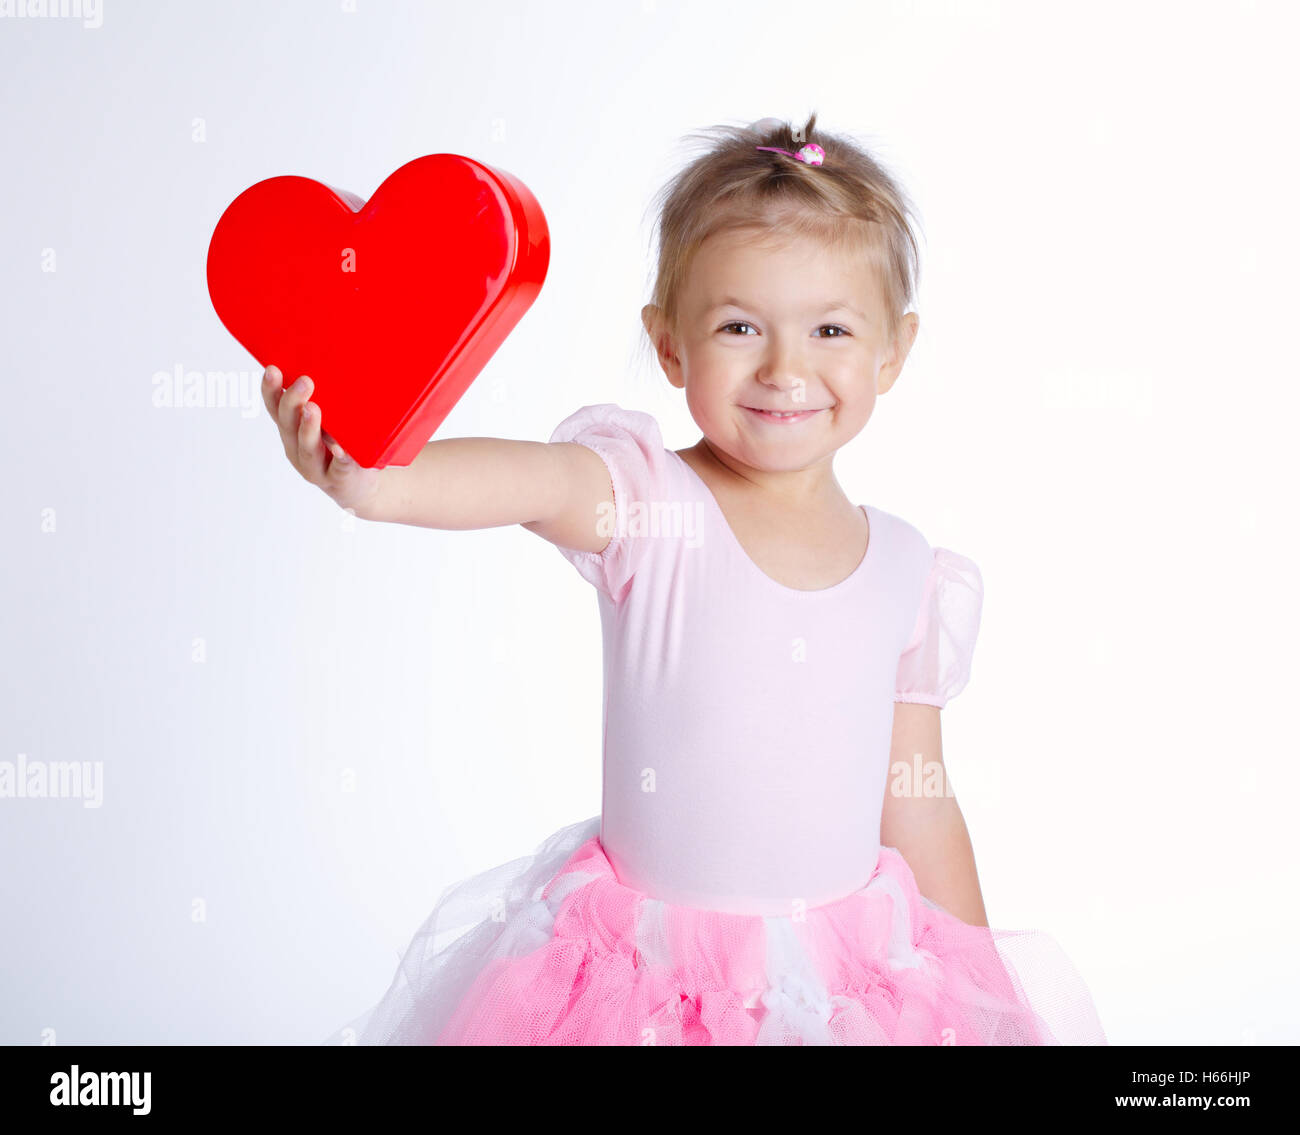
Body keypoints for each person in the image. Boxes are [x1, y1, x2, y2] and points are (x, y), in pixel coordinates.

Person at [273, 112, 1106, 1045]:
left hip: (843, 987)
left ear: (893, 352)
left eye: (830, 328)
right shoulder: (646, 502)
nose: (787, 368)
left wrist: (979, 993)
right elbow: (525, 481)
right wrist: (381, 480)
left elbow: (916, 793)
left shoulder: (909, 569)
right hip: (646, 988)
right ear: (669, 345)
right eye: (739, 325)